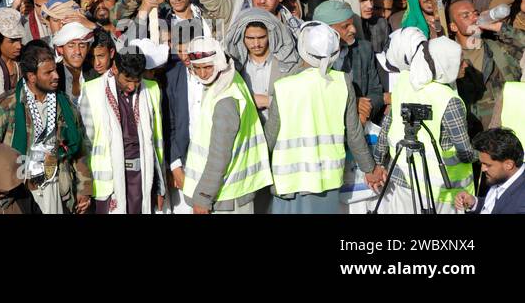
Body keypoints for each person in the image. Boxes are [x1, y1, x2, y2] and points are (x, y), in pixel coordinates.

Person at [265, 22, 386, 213]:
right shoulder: (343, 82)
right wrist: (370, 170)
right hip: (326, 181)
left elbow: (269, 137)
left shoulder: (283, 86)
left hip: (288, 182)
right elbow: (354, 135)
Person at [0, 40, 91, 214]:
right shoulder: (4, 106)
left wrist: (84, 190)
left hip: (57, 188)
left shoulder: (64, 105)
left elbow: (79, 150)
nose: (56, 76)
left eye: (55, 70)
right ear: (31, 76)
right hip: (19, 192)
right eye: (48, 72)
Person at [374, 37, 476, 214]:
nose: (465, 65)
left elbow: (386, 128)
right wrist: (486, 156)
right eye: (460, 62)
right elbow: (465, 153)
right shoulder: (449, 100)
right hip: (441, 192)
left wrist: (377, 162)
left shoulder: (405, 82)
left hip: (402, 180)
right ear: (445, 66)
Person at [179, 37, 273, 214]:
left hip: (224, 198)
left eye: (207, 67)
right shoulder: (232, 79)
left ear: (219, 62)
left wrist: (203, 197)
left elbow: (219, 155)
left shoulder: (225, 99)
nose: (202, 74)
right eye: (197, 68)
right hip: (233, 192)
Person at [79, 48, 166, 214]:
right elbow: (86, 145)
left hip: (143, 176)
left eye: (137, 80)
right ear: (115, 69)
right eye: (127, 80)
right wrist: (85, 187)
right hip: (107, 182)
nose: (132, 86)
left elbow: (158, 143)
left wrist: (160, 187)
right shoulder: (92, 90)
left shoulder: (152, 89)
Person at [458, 128, 525, 214]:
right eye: (481, 163)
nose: (482, 169)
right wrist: (474, 203)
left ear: (509, 165)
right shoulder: (504, 178)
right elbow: (495, 206)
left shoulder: (522, 204)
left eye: (487, 165)